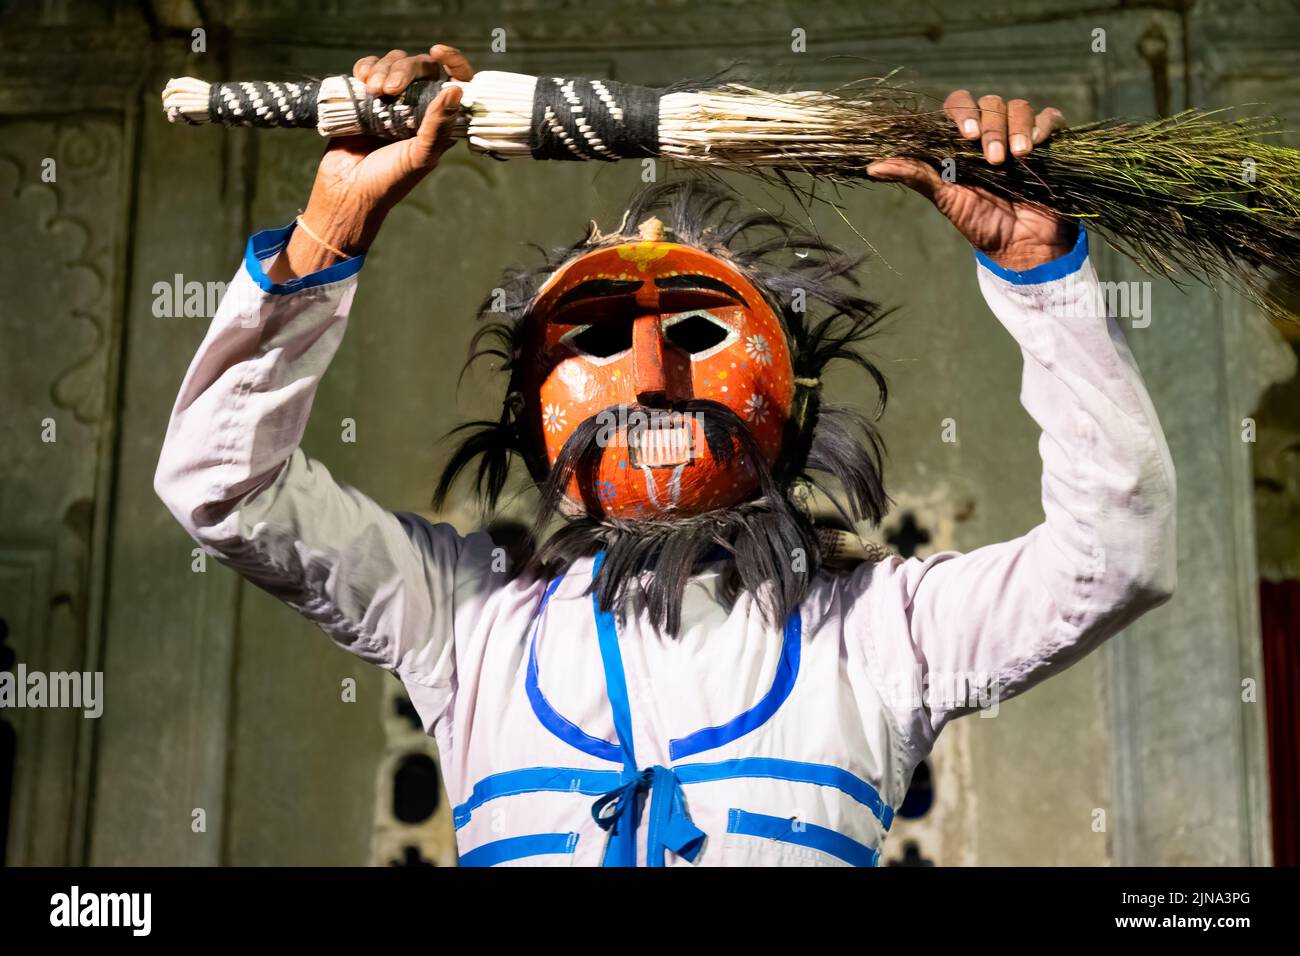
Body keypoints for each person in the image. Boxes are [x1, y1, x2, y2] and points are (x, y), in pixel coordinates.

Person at [155, 46, 1177, 867]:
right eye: (597, 339)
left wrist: (1041, 280)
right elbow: (220, 482)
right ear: (531, 414)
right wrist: (328, 228)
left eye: (696, 333)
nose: (649, 376)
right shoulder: (463, 621)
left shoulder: (880, 631)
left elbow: (1116, 549)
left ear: (789, 398)